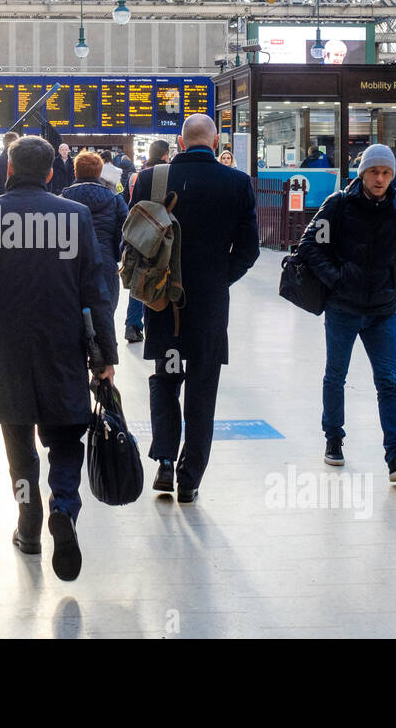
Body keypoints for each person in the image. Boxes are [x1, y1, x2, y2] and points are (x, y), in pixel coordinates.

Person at [0, 136, 117, 580]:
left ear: (8, 168)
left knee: (20, 444)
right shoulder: (75, 216)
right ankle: (62, 506)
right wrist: (105, 352)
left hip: (9, 348)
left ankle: (28, 526)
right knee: (66, 436)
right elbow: (94, 290)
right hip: (63, 346)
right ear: (51, 172)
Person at [131, 114, 260, 502]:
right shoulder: (237, 183)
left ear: (181, 141)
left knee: (167, 379)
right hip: (209, 308)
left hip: (162, 302)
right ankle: (189, 479)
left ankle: (166, 461)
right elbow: (250, 249)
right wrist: (219, 280)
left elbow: (135, 241)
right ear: (216, 140)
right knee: (202, 389)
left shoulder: (153, 179)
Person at [298, 143, 396, 483]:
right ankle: (334, 438)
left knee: (388, 382)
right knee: (336, 374)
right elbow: (309, 245)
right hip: (343, 307)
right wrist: (337, 279)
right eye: (374, 172)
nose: (380, 178)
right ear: (362, 173)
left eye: (386, 173)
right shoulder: (338, 205)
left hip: (382, 309)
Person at [62, 151, 128, 313]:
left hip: (69, 265)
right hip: (105, 261)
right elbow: (127, 228)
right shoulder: (114, 199)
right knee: (105, 316)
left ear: (75, 172)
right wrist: (116, 253)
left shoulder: (62, 199)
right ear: (99, 173)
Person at [124, 139, 171, 343]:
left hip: (138, 232)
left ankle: (133, 325)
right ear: (166, 155)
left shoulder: (134, 176)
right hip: (159, 233)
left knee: (139, 278)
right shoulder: (167, 175)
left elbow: (128, 203)